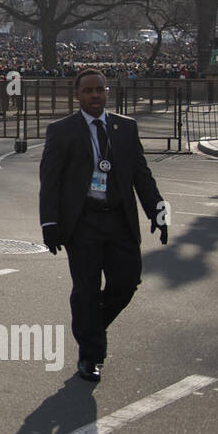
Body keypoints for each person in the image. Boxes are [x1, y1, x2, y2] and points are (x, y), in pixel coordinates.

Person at [39, 68, 167, 382]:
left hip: (119, 219)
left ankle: (90, 326)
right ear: (77, 95)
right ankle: (91, 354)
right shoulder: (62, 131)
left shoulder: (125, 128)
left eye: (100, 90)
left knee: (127, 280)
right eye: (88, 91)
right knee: (86, 288)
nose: (95, 96)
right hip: (82, 222)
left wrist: (158, 212)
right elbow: (50, 181)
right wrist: (50, 222)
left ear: (107, 92)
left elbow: (141, 174)